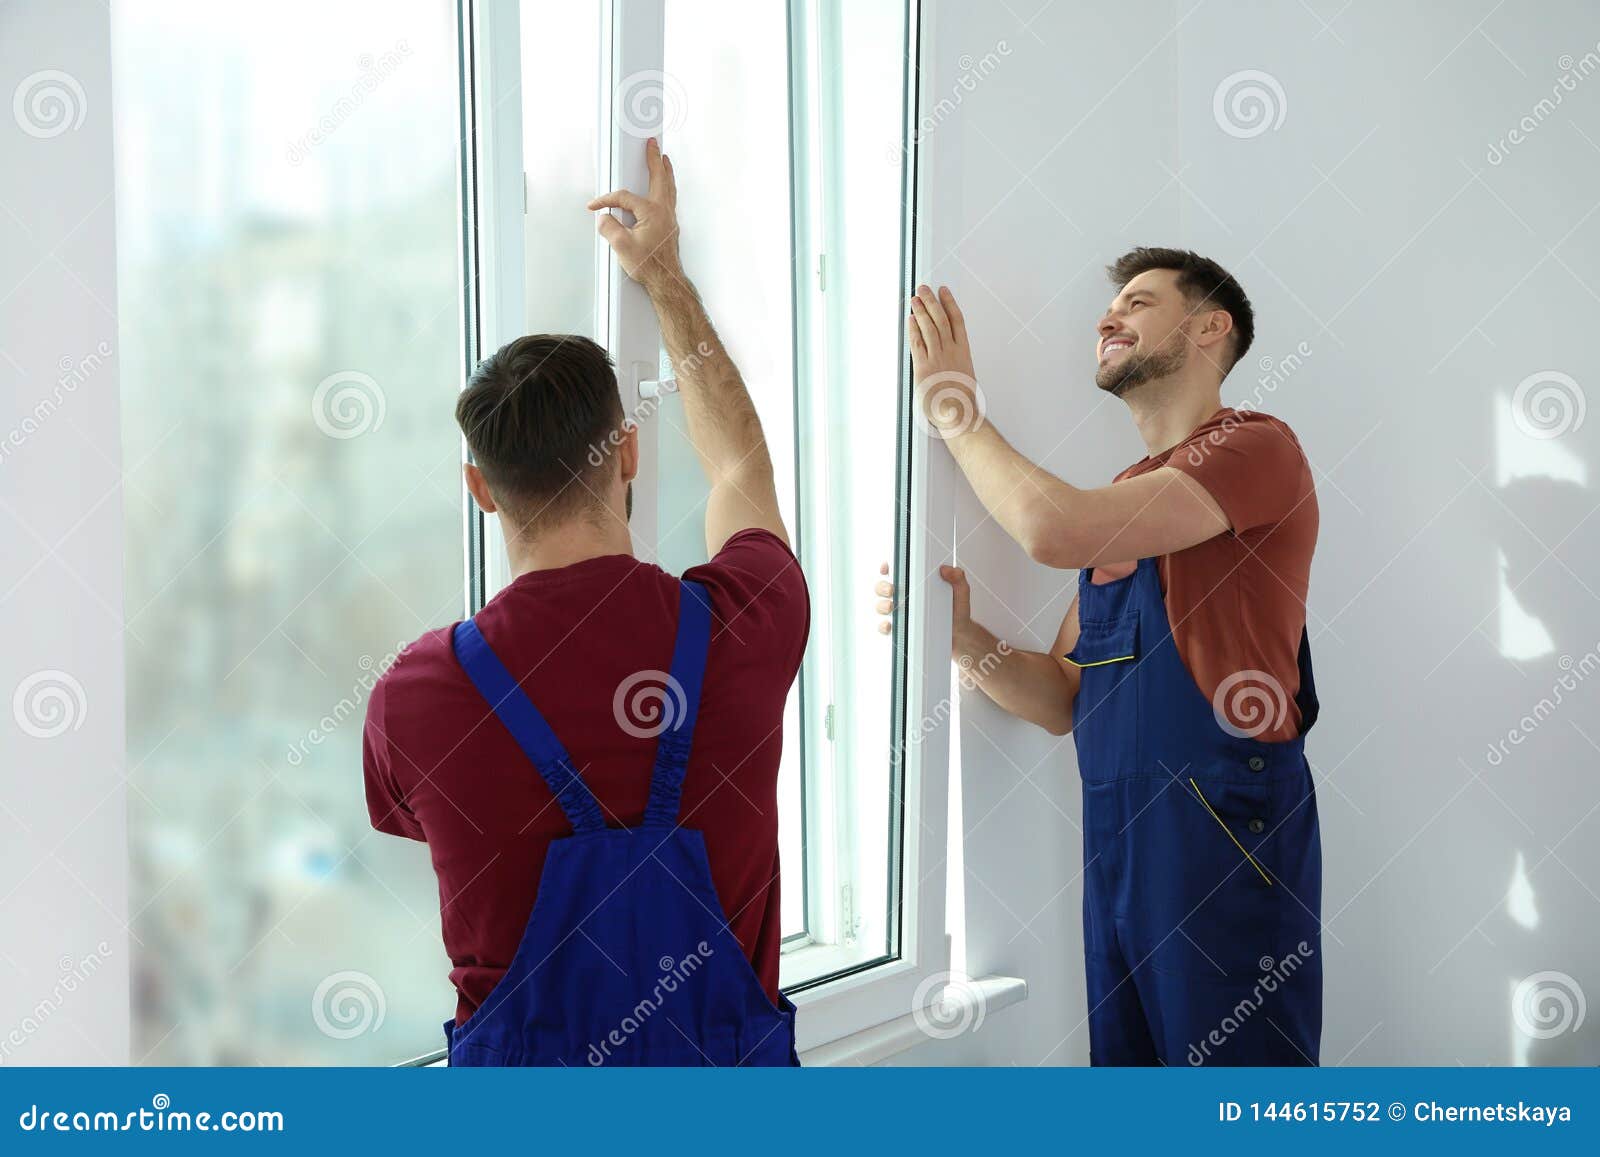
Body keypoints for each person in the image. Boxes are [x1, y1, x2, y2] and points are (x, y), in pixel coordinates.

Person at [362, 139, 808, 1066]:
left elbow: (412, 818)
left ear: (480, 489)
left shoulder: (417, 692)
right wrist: (665, 279)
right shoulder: (744, 623)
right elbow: (739, 468)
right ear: (631, 454)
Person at [882, 250, 1322, 1065]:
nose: (1106, 318)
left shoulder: (1257, 449)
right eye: (1110, 306)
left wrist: (956, 413)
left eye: (1138, 301)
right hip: (1121, 846)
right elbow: (1059, 698)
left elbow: (1056, 531)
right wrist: (961, 637)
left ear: (1209, 327)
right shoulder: (1128, 497)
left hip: (1222, 839)